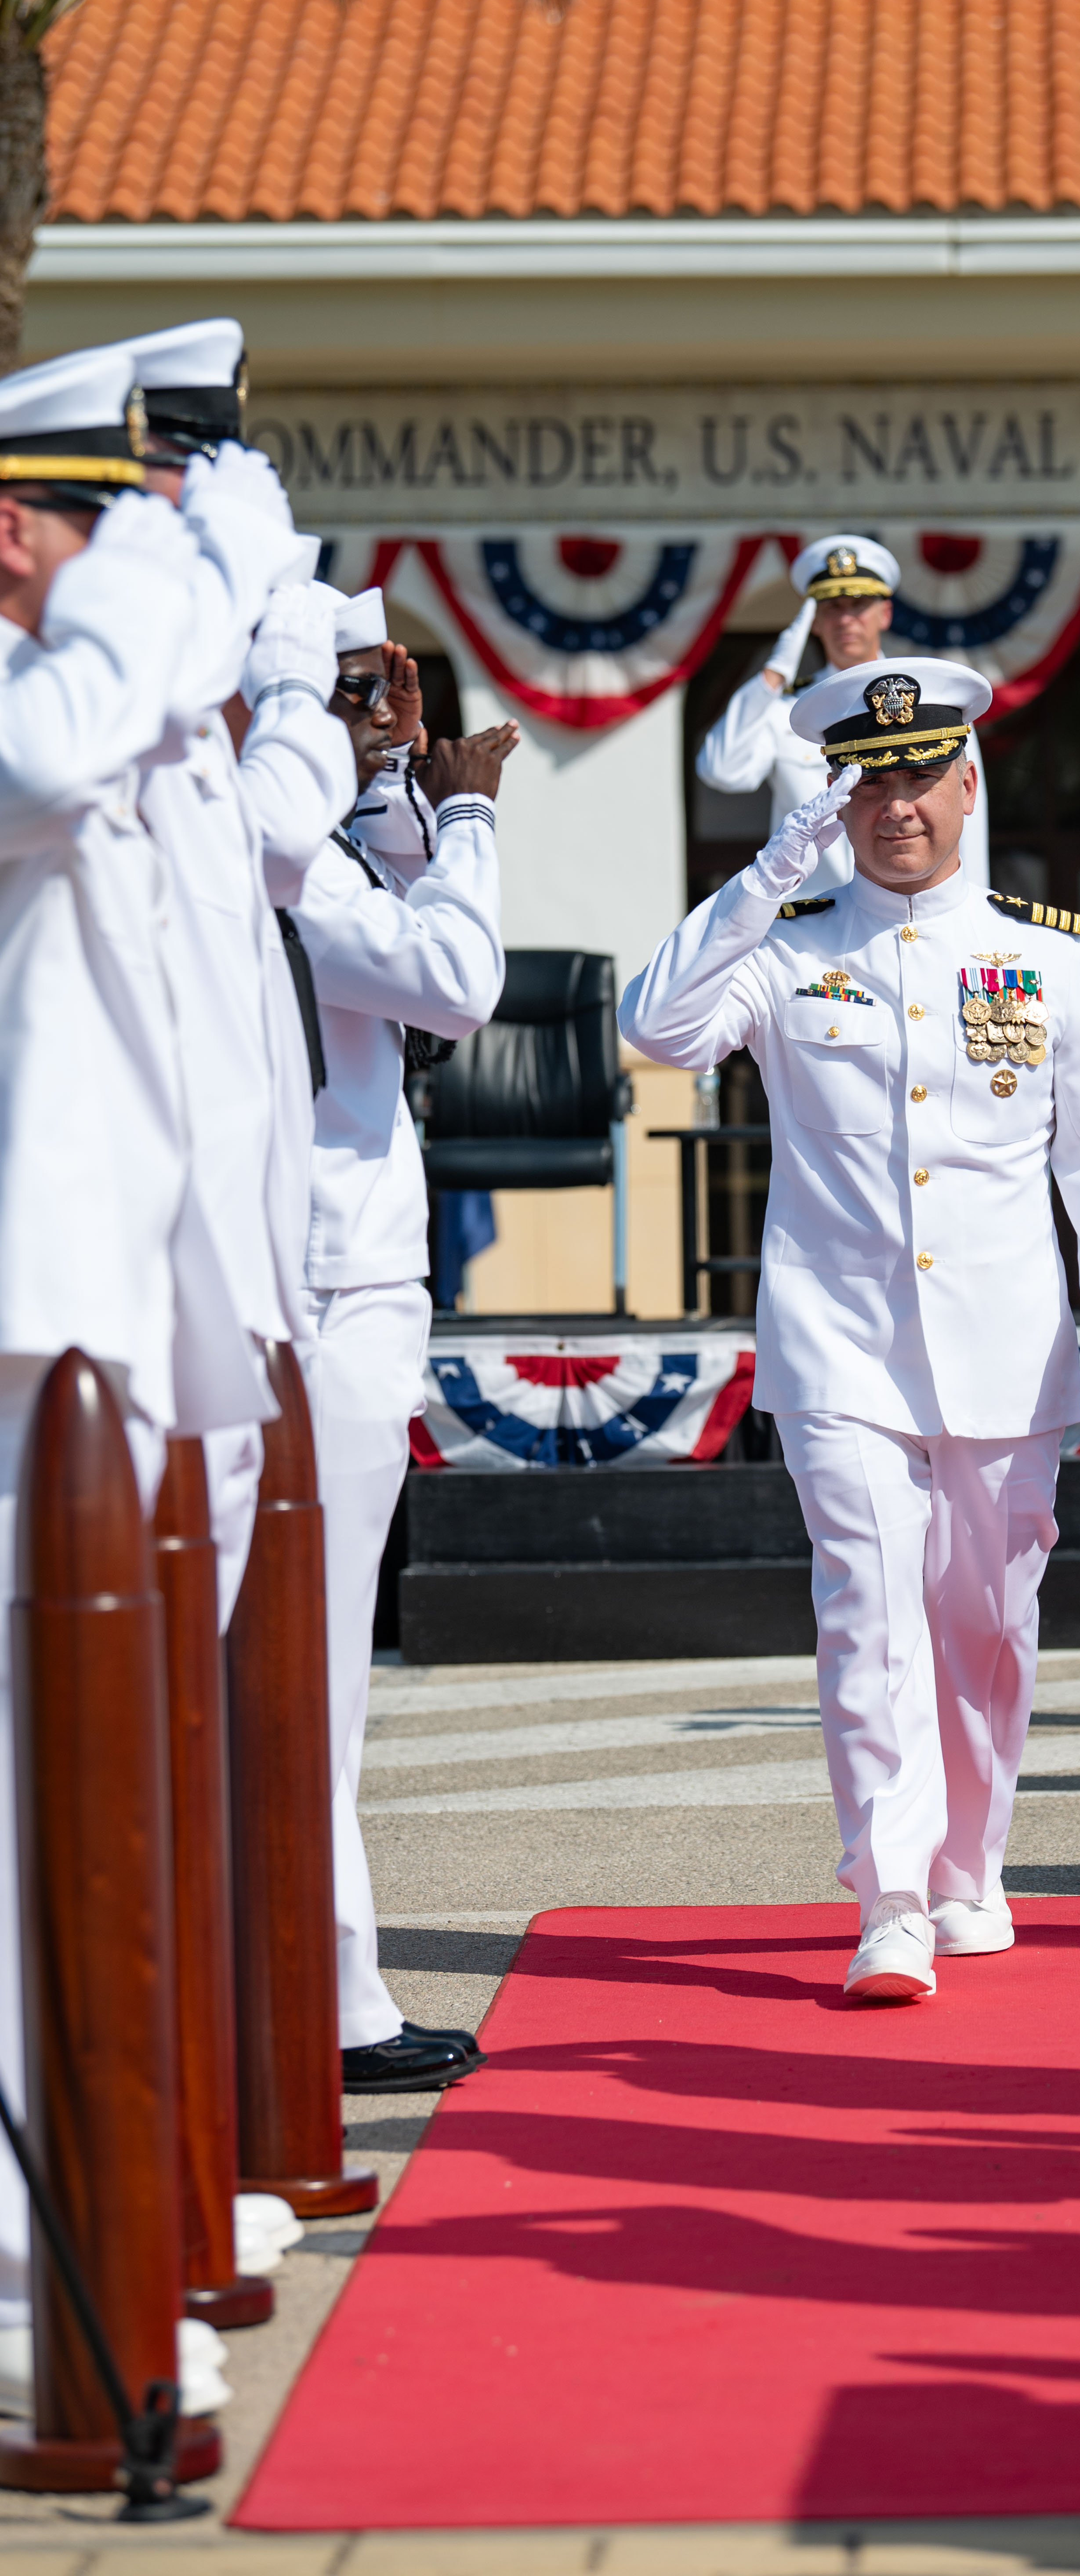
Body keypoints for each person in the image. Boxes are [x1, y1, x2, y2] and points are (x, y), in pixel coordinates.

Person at [621, 658, 1080, 2002]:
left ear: (968, 786)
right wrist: (766, 872)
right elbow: (659, 1028)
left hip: (1007, 1347)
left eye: (921, 777)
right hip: (839, 1343)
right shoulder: (789, 944)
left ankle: (970, 1869)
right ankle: (894, 1897)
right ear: (839, 801)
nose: (897, 806)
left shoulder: (1045, 953)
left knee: (986, 1628)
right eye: (869, 784)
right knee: (867, 1610)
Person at [0, 346, 272, 2381]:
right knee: (39, 1805)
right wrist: (153, 584)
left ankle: (100, 2228)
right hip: (34, 1316)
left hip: (105, 1316)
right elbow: (61, 753)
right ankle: (51, 2267)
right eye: (108, 526)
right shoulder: (62, 694)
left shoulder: (98, 681)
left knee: (98, 1792)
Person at [291, 587, 511, 2091]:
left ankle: (330, 1983)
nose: (384, 713)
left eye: (386, 686)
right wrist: (472, 817)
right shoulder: (277, 856)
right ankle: (324, 1999)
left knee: (315, 1667)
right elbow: (454, 983)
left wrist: (396, 787)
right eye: (353, 692)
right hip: (318, 1278)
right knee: (310, 1666)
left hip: (338, 1266)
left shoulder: (319, 841)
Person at [118, 317, 354, 1620]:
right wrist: (296, 690)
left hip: (228, 1236)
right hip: (147, 1232)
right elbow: (284, 834)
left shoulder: (179, 713)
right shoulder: (114, 698)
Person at [695, 534, 991, 891]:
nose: (846, 619)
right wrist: (773, 675)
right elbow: (722, 770)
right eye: (833, 607)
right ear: (814, 621)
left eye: (859, 604)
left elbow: (967, 818)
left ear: (885, 614)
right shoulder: (789, 709)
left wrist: (971, 907)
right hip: (816, 911)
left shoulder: (933, 700)